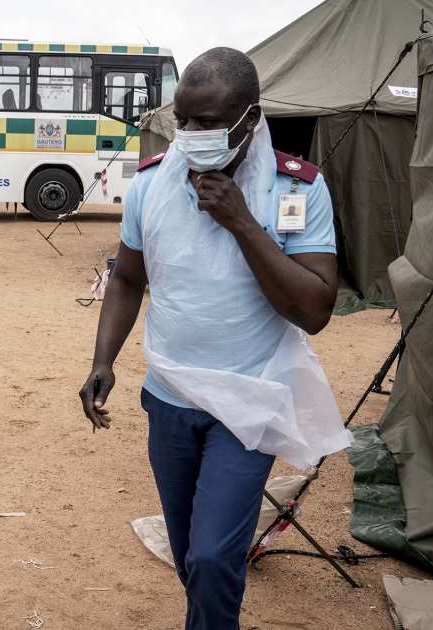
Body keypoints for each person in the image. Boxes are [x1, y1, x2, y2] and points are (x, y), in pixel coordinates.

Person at [79, 48, 340, 629]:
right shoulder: (151, 185)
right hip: (169, 396)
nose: (191, 134)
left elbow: (316, 309)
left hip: (250, 401)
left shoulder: (296, 189)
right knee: (190, 556)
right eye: (183, 119)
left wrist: (243, 221)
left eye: (208, 122)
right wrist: (104, 360)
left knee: (215, 554)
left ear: (251, 118)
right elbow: (126, 278)